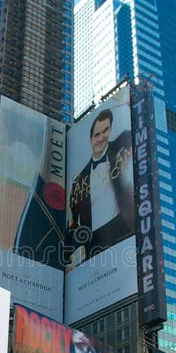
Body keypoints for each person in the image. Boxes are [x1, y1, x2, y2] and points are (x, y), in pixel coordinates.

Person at [67, 107, 134, 264]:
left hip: (124, 236)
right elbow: (75, 223)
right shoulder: (79, 181)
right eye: (97, 134)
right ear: (90, 139)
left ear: (110, 129)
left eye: (106, 131)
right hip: (95, 249)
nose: (102, 137)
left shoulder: (121, 144)